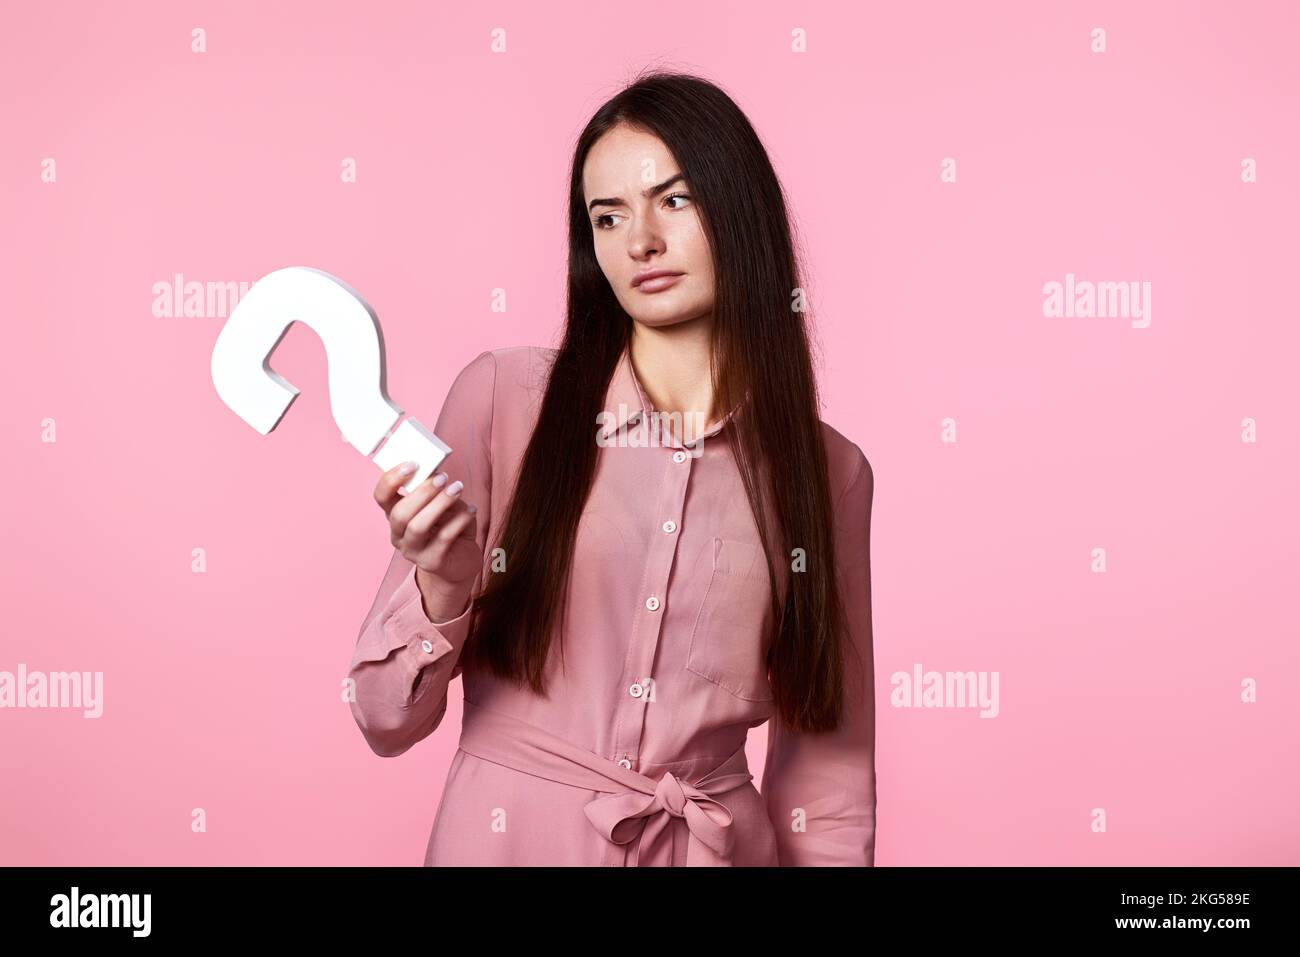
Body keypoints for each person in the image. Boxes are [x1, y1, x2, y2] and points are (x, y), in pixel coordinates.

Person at [346, 69, 876, 866]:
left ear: (740, 207)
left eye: (675, 200)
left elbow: (828, 780)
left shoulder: (831, 473)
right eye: (608, 215)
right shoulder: (504, 400)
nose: (640, 243)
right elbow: (383, 717)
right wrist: (444, 589)